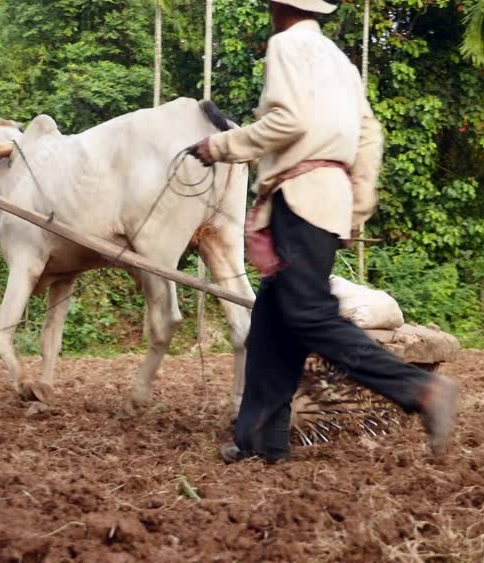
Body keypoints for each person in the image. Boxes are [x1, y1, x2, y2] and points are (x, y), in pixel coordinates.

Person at [190, 0, 459, 464]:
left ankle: (422, 390)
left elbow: (287, 121)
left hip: (299, 199)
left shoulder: (286, 45)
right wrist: (356, 201)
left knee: (309, 314)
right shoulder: (340, 62)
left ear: (279, 7)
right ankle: (261, 441)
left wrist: (220, 146)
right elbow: (369, 133)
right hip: (324, 201)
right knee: (271, 326)